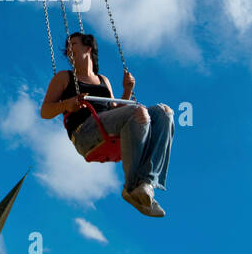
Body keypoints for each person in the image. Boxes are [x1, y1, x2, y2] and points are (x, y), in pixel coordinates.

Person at [40, 32, 173, 218]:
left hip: (106, 127)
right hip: (84, 133)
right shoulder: (64, 78)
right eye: (67, 46)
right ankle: (132, 186)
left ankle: (146, 184)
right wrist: (67, 104)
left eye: (74, 44)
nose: (69, 49)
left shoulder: (103, 80)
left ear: (88, 48)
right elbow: (45, 111)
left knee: (164, 113)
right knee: (139, 112)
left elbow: (114, 110)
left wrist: (127, 90)